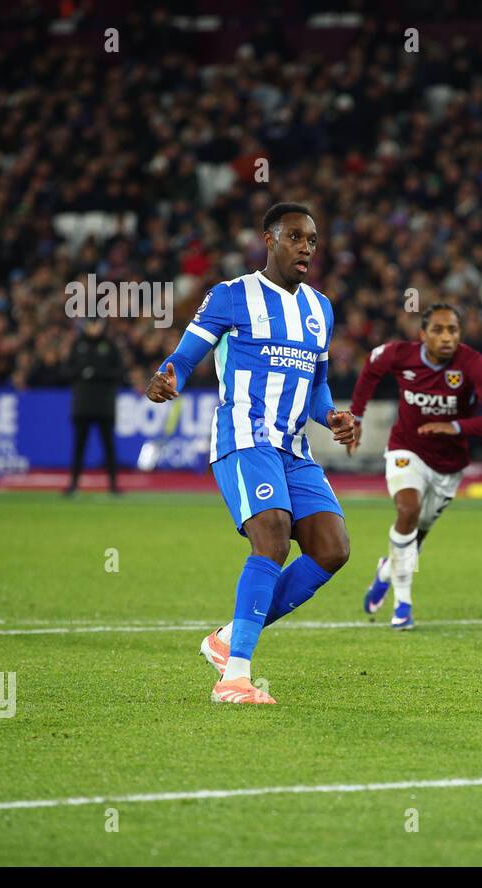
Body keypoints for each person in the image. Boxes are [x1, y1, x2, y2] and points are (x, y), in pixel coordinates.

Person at [146, 202, 357, 705]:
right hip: (244, 435)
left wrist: (332, 417)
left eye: (312, 239)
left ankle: (224, 639)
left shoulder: (320, 308)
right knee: (272, 535)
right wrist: (168, 373)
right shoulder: (232, 295)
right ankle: (235, 677)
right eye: (295, 237)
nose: (306, 247)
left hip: (293, 446)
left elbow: (319, 386)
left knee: (332, 548)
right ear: (269, 239)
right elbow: (187, 353)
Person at [352, 303, 482, 629]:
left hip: (448, 465)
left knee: (414, 538)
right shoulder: (401, 354)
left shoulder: (472, 363)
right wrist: (356, 416)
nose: (446, 337)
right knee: (407, 510)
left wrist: (454, 428)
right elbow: (371, 365)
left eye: (453, 330)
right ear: (423, 335)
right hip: (406, 449)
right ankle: (403, 605)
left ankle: (386, 571)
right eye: (438, 330)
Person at [64, 316, 123, 495]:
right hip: (82, 404)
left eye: (97, 324)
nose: (94, 328)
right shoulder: (78, 345)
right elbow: (65, 371)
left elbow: (119, 372)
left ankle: (113, 485)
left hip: (104, 405)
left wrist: (96, 373)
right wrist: (82, 372)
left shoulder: (110, 346)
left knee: (109, 446)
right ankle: (73, 484)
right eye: (91, 324)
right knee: (79, 446)